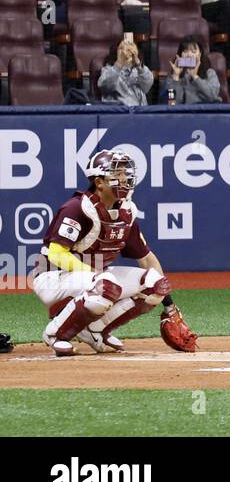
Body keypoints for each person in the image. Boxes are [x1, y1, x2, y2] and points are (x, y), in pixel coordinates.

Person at [30, 148, 193, 357]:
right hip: (51, 278)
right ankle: (56, 334)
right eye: (117, 175)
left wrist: (169, 306)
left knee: (156, 284)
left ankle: (96, 330)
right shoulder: (78, 208)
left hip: (94, 279)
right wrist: (94, 274)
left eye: (126, 173)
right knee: (105, 284)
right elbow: (56, 253)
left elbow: (146, 258)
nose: (125, 179)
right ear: (99, 182)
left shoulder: (126, 213)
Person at [157, 36, 221, 105]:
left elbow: (212, 96)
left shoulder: (210, 73)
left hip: (204, 113)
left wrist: (195, 77)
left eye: (193, 51)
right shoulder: (173, 77)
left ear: (200, 53)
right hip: (184, 114)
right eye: (185, 51)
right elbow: (172, 102)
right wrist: (175, 78)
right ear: (180, 54)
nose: (189, 55)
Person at [99, 37, 154, 106]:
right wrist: (119, 63)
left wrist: (138, 63)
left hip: (139, 113)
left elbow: (147, 86)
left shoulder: (139, 70)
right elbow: (106, 87)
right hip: (119, 113)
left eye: (131, 48)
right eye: (121, 48)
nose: (127, 51)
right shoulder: (108, 69)